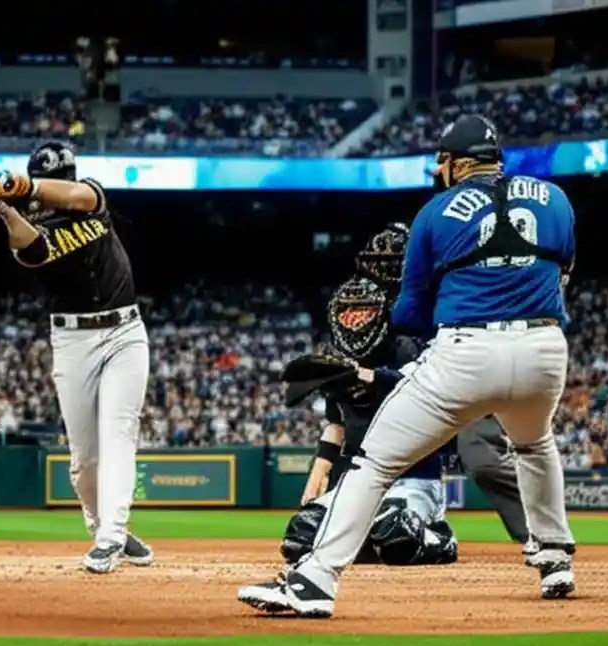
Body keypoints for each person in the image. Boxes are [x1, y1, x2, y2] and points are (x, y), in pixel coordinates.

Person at [241, 115, 577, 617]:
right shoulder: (556, 199)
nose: (438, 170)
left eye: (442, 161)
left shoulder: (436, 211)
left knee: (371, 462)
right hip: (545, 350)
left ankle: (314, 581)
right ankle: (553, 555)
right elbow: (563, 270)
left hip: (467, 350)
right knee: (534, 442)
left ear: (457, 163)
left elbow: (411, 313)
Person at [238, 226, 533, 611]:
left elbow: (424, 384)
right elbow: (337, 420)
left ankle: (454, 538)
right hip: (369, 467)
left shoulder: (425, 317)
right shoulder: (357, 348)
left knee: (407, 524)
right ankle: (342, 555)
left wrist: (365, 379)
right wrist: (319, 471)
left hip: (432, 438)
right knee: (300, 536)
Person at [0, 141, 152, 574]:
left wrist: (16, 185)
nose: (62, 184)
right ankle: (106, 530)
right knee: (85, 459)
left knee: (119, 435)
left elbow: (72, 196)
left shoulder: (89, 197)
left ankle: (110, 538)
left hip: (126, 331)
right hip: (73, 340)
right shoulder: (33, 221)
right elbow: (32, 254)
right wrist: (2, 209)